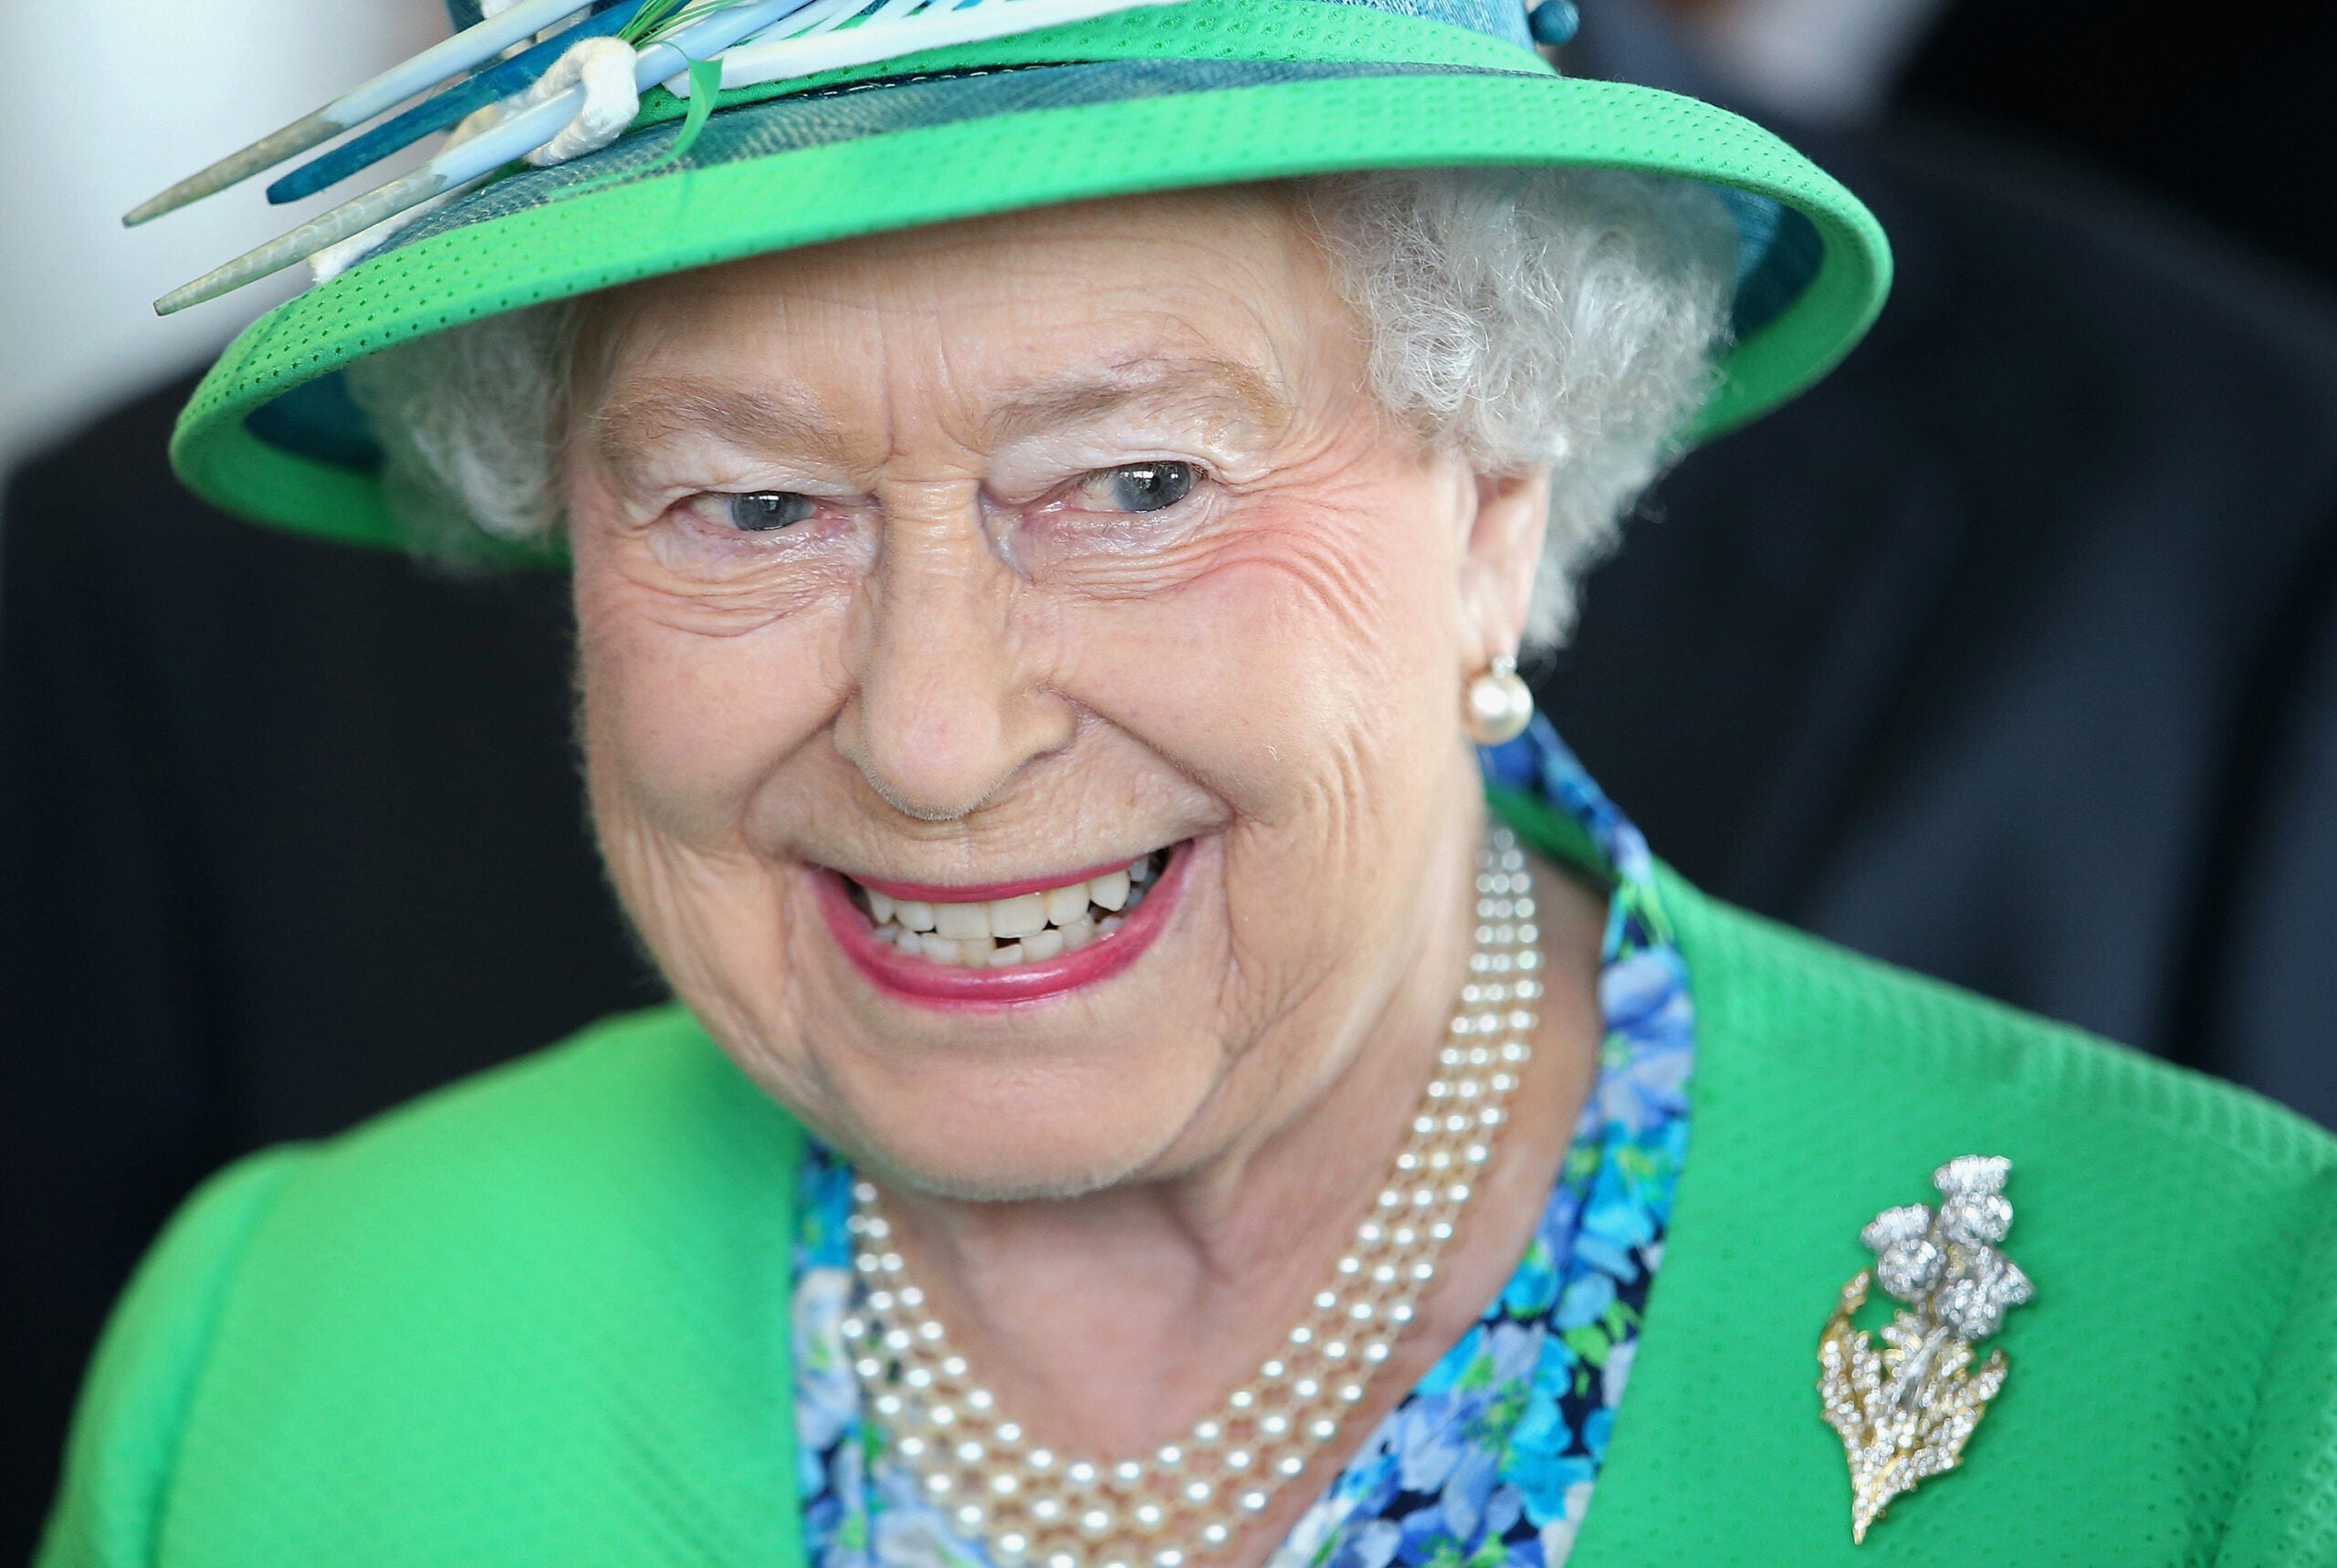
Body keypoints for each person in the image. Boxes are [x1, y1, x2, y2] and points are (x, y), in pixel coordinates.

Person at [35, 2, 2337, 1563]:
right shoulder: (290, 1335)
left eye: (1132, 483)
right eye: (744, 509)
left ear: (1493, 507)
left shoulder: (2227, 1343)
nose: (933, 741)